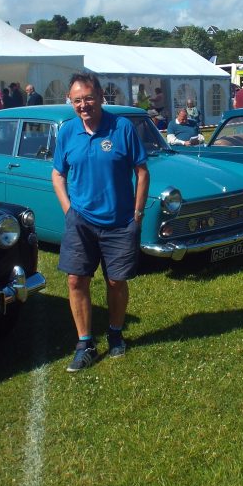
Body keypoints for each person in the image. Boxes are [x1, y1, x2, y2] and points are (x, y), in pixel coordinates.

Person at [51, 72, 150, 372]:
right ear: (71, 102)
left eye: (89, 98)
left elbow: (142, 171)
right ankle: (85, 343)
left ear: (101, 98)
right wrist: (69, 209)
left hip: (120, 221)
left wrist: (137, 213)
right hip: (80, 220)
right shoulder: (67, 131)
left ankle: (116, 333)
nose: (84, 105)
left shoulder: (122, 128)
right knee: (75, 280)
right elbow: (58, 174)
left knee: (116, 281)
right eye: (77, 100)